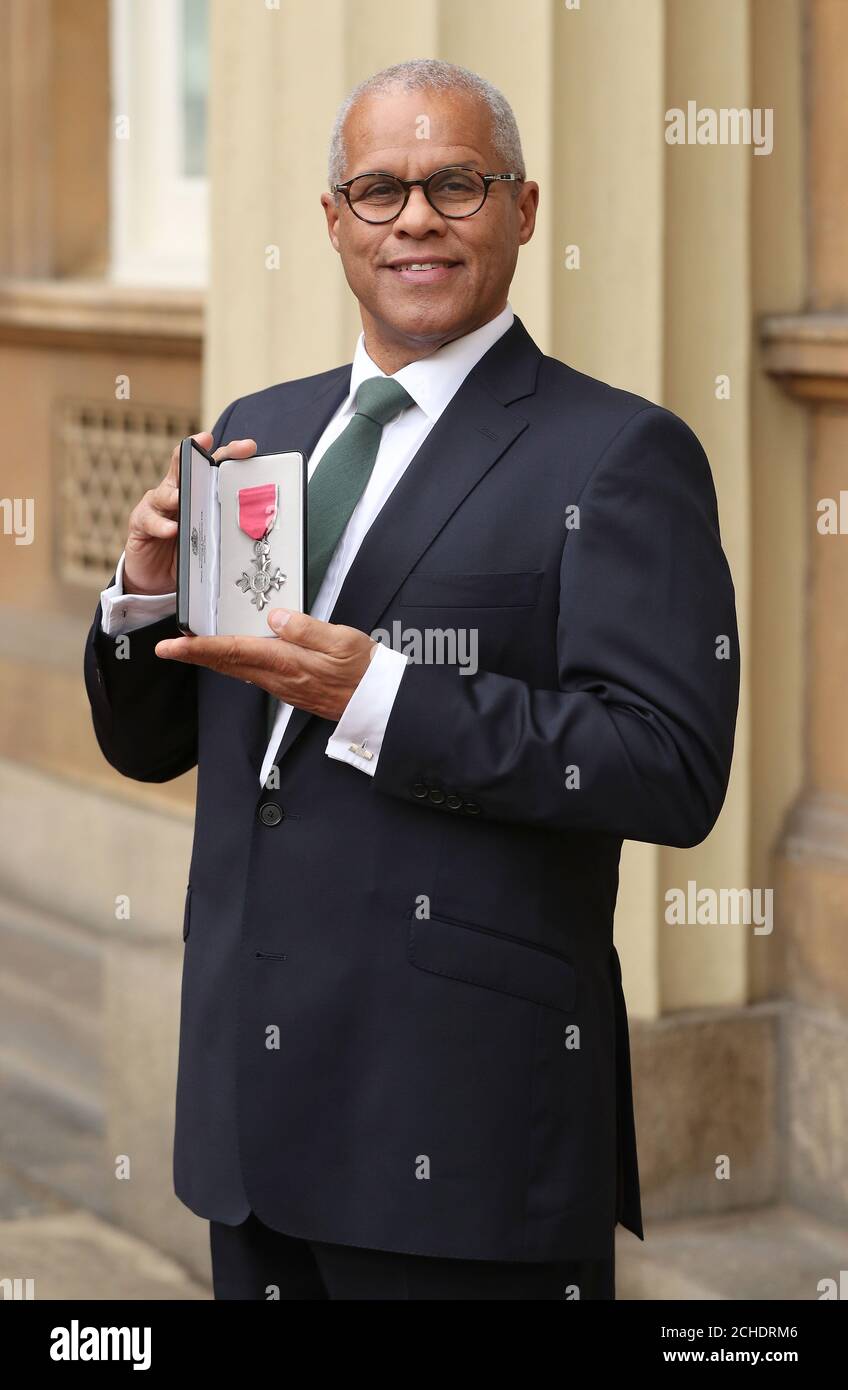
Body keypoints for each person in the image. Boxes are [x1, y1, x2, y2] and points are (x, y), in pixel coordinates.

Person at [83, 59, 739, 1301]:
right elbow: (155, 744)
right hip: (248, 1117)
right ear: (333, 222)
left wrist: (379, 696)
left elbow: (668, 764)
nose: (417, 218)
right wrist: (144, 592)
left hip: (462, 1124)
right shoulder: (260, 428)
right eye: (378, 190)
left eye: (457, 183)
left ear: (523, 209)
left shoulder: (615, 453)